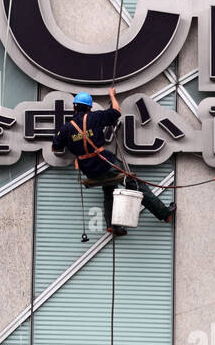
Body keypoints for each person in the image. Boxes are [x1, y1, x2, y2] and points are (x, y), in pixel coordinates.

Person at [51, 88, 175, 237]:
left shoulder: (66, 129)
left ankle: (112, 225)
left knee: (109, 189)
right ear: (89, 107)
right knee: (135, 184)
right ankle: (164, 214)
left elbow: (55, 148)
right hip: (104, 163)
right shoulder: (95, 117)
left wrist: (78, 149)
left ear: (74, 107)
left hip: (88, 170)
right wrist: (111, 95)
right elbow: (116, 111)